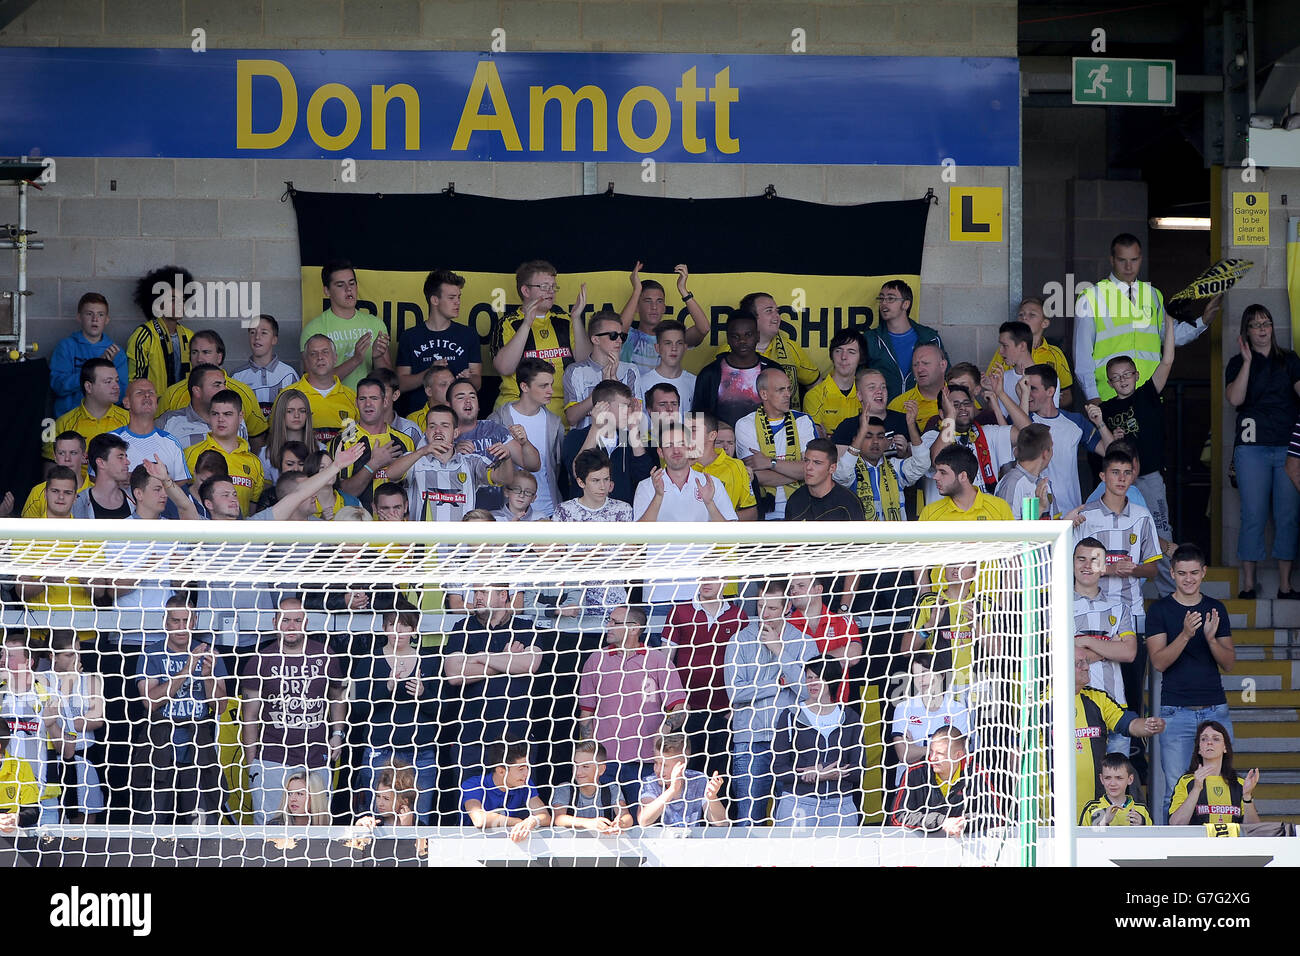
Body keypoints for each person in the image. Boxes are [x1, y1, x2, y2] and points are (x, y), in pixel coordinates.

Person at [1094, 294, 1185, 580]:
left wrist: (1169, 322)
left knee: (1160, 532)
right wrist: (1111, 432)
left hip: (1149, 476)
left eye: (1127, 375)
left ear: (1136, 375)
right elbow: (1105, 449)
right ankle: (1137, 595)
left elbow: (1168, 360)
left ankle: (1170, 594)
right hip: (1119, 478)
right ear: (1109, 383)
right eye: (1116, 378)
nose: (1122, 380)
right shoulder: (1106, 409)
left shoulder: (1147, 393)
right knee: (1122, 530)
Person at [1144, 543, 1235, 823]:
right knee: (1176, 787)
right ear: (1172, 573)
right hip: (1176, 711)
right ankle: (1170, 853)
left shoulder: (1215, 608)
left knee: (1220, 781)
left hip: (1215, 709)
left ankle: (1218, 847)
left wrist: (1209, 638)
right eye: (1182, 573)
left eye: (1194, 572)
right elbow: (1158, 662)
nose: (1188, 579)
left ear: (1204, 573)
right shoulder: (1159, 611)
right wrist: (1184, 634)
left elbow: (1229, 662)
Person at [240, 595, 347, 826]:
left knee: (317, 826)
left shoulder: (325, 655)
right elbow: (249, 716)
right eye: (285, 620)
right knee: (269, 827)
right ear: (274, 621)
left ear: (306, 623)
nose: (291, 626)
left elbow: (338, 696)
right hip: (273, 759)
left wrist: (338, 734)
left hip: (316, 758)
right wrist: (254, 764)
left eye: (297, 620)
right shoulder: (261, 660)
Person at [1074, 233, 1215, 402]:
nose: (1128, 267)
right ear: (1112, 260)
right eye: (1122, 260)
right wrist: (1092, 396)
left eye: (1134, 260)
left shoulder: (1153, 295)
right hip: (1109, 397)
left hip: (1150, 393)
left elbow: (1170, 335)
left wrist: (1204, 321)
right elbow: (1082, 353)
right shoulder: (1091, 297)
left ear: (1141, 259)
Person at [724, 579, 815, 825]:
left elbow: (809, 691)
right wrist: (777, 684)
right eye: (760, 606)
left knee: (790, 821)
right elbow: (735, 692)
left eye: (772, 608)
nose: (764, 613)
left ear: (786, 608)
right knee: (748, 820)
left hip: (792, 743)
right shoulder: (739, 641)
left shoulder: (805, 642)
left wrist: (778, 650)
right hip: (750, 742)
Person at [577, 605, 685, 811]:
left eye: (614, 622)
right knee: (605, 824)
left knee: (642, 823)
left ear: (634, 628)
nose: (607, 626)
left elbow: (679, 707)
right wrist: (589, 755)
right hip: (604, 763)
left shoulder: (658, 660)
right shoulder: (595, 660)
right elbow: (586, 714)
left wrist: (666, 729)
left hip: (646, 762)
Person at [1225, 303, 1300, 598]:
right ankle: (1248, 584)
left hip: (1288, 448)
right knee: (1253, 514)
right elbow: (1235, 398)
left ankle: (1285, 585)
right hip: (1252, 448)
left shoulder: (1290, 360)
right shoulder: (1237, 362)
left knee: (1288, 515)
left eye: (1266, 323)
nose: (1262, 329)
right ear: (1247, 331)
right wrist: (1246, 362)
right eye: (1255, 325)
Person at [131, 597, 227, 824]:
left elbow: (221, 706)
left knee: (201, 827)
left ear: (194, 621)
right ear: (166, 622)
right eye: (176, 620)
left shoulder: (210, 653)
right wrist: (187, 668)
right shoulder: (151, 653)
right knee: (151, 824)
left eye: (186, 620)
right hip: (159, 748)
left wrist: (207, 677)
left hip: (198, 749)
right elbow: (150, 701)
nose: (182, 626)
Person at [350, 600, 439, 824]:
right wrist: (386, 689)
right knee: (375, 820)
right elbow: (357, 709)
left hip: (421, 755)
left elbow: (443, 710)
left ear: (414, 629)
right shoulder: (369, 661)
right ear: (384, 628)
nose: (397, 631)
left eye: (404, 625)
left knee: (419, 822)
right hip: (379, 753)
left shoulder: (430, 661)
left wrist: (423, 693)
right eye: (392, 624)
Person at [441, 584, 542, 773]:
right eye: (475, 592)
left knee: (518, 802)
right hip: (472, 743)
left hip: (517, 742)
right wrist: (505, 660)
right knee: (471, 802)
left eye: (484, 592)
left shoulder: (525, 627)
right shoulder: (462, 627)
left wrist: (480, 656)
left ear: (503, 595)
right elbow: (454, 673)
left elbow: (529, 664)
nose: (477, 597)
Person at [662, 576, 748, 780]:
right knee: (687, 773)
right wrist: (675, 704)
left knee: (719, 776)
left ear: (726, 582)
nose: (706, 582)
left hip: (724, 712)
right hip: (687, 711)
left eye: (713, 577)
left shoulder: (738, 615)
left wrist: (736, 708)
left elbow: (746, 663)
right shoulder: (680, 611)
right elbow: (665, 662)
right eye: (703, 576)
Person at [1070, 646, 1166, 819]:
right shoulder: (1042, 703)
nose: (1086, 667)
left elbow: (1127, 724)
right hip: (1052, 808)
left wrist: (1149, 725)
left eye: (1086, 662)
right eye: (1079, 663)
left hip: (1096, 808)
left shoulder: (1097, 699)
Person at [492, 259, 592, 419]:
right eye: (544, 287)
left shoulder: (566, 321)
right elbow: (505, 368)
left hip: (563, 416)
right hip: (519, 415)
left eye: (553, 287)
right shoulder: (509, 323)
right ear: (526, 290)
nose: (551, 291)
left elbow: (586, 364)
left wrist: (576, 318)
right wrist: (526, 324)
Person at [385, 405, 512, 521]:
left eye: (445, 425)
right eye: (432, 426)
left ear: (455, 433)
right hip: (423, 545)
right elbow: (390, 474)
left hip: (459, 544)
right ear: (426, 432)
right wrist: (422, 451)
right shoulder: (414, 459)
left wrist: (506, 458)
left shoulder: (471, 462)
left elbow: (504, 479)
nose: (438, 430)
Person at [1003, 364, 1099, 516]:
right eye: (1024, 387)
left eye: (1032, 388)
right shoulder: (1019, 421)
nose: (1027, 392)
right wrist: (1023, 397)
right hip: (1037, 513)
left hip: (1071, 512)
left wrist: (1101, 424)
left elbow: (1109, 451)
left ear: (1050, 391)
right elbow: (1021, 434)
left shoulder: (1075, 421)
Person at [1072, 536, 1138, 755]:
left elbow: (1129, 652)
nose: (1086, 565)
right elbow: (1059, 654)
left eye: (1094, 560)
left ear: (1103, 567)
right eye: (1081, 559)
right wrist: (1108, 647)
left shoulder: (1120, 608)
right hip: (1073, 709)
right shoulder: (1055, 605)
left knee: (1115, 785)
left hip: (1115, 708)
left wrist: (1085, 641)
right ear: (1071, 564)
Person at [154, 329, 271, 442]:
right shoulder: (173, 393)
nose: (199, 359)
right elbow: (153, 432)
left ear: (219, 357)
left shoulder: (243, 391)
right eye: (194, 352)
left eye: (206, 352)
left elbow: (257, 436)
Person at [488, 356, 565, 519]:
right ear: (524, 386)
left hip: (547, 509)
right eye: (543, 386)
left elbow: (556, 467)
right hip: (506, 512)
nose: (551, 390)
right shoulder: (497, 420)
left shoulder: (555, 423)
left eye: (551, 384)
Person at [735, 367, 816, 520]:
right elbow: (757, 477)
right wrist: (800, 473)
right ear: (764, 394)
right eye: (780, 390)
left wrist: (769, 462)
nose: (788, 395)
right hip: (765, 512)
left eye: (788, 389)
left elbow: (812, 468)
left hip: (803, 509)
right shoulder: (745, 424)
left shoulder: (803, 421)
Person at [396, 268, 481, 412]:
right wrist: (429, 372)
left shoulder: (468, 335)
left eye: (459, 297)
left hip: (457, 417)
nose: (457, 302)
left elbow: (477, 384)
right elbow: (401, 384)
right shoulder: (410, 336)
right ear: (434, 300)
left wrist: (469, 378)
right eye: (451, 298)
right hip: (419, 417)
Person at [447, 379, 539, 513]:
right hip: (456, 512)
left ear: (478, 405)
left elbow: (533, 465)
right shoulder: (442, 433)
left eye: (472, 396)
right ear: (448, 405)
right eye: (461, 397)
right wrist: (453, 453)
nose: (468, 401)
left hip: (495, 514)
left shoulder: (493, 429)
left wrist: (525, 443)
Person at [300, 259, 392, 390]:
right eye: (340, 285)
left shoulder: (376, 324)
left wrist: (377, 357)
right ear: (327, 291)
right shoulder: (313, 330)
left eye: (352, 283)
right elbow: (313, 382)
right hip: (331, 406)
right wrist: (356, 360)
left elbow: (389, 381)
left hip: (368, 407)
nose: (348, 289)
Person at [329, 377, 416, 511]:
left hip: (396, 527)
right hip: (359, 525)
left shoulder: (405, 441)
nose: (368, 404)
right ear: (356, 403)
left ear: (385, 402)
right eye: (363, 399)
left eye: (374, 398)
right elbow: (344, 492)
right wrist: (374, 464)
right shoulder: (343, 441)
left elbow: (412, 490)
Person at [890, 726, 997, 836]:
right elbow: (897, 817)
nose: (932, 758)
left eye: (940, 754)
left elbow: (996, 816)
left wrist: (964, 822)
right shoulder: (915, 772)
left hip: (965, 846)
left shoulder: (977, 774)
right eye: (931, 752)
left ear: (958, 755)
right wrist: (942, 821)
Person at [559, 380, 653, 505]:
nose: (629, 411)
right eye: (624, 406)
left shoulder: (629, 437)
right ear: (603, 407)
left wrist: (633, 429)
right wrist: (595, 428)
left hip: (621, 516)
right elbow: (577, 473)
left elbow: (645, 477)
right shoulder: (576, 436)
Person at [46, 632, 106, 823]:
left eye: (78, 653)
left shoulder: (91, 680)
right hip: (50, 762)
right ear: (52, 656)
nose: (76, 659)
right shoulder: (42, 680)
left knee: (86, 823)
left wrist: (60, 721)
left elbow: (98, 719)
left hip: (83, 759)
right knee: (53, 821)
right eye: (69, 655)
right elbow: (44, 719)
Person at [889, 652, 970, 788]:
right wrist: (941, 751)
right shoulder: (903, 708)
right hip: (910, 784)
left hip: (948, 783)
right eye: (915, 675)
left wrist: (915, 748)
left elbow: (959, 754)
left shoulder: (958, 709)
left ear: (942, 675)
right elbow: (903, 754)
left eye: (925, 673)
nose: (920, 680)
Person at [1, 635, 58, 826]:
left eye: (11, 656)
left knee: (49, 855)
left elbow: (68, 750)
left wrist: (51, 724)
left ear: (29, 662)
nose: (3, 660)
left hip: (44, 798)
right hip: (5, 799)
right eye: (2, 654)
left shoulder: (49, 696)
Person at [634, 419, 737, 523]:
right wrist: (658, 496)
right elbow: (639, 535)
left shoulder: (712, 483)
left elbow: (729, 534)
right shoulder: (646, 486)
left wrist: (710, 503)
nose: (676, 450)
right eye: (669, 445)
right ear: (660, 452)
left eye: (681, 444)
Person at [731, 291, 820, 410]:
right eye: (769, 311)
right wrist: (702, 429)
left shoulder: (791, 348)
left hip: (786, 426)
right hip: (740, 426)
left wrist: (811, 419)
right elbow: (702, 408)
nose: (777, 316)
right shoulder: (726, 353)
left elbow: (816, 383)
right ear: (751, 318)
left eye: (777, 311)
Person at [183, 389, 265, 516]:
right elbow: (182, 500)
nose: (220, 419)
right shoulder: (191, 454)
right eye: (215, 414)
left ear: (241, 416)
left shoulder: (254, 462)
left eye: (227, 414)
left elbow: (252, 511)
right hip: (201, 533)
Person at [692, 312, 783, 427]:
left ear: (758, 336)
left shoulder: (773, 370)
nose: (742, 341)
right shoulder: (710, 373)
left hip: (766, 444)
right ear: (728, 338)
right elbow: (698, 419)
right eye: (735, 336)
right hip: (722, 444)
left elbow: (784, 413)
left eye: (748, 334)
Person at [861, 279, 946, 401]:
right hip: (885, 413)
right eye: (881, 299)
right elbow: (859, 379)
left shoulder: (930, 337)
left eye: (890, 298)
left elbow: (946, 375)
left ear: (906, 304)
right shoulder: (870, 339)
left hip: (923, 411)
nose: (884, 303)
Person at [617, 261, 711, 370]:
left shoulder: (672, 338)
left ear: (664, 308)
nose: (654, 307)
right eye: (648, 301)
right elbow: (618, 331)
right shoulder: (627, 336)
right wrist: (637, 290)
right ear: (636, 307)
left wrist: (683, 290)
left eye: (659, 301)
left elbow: (703, 328)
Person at [1167, 720, 1260, 827]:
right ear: (1199, 749)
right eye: (1204, 739)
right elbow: (1176, 824)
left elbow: (1254, 830)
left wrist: (1247, 796)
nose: (1209, 742)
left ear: (1225, 748)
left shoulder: (1240, 783)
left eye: (1216, 739)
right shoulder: (1187, 781)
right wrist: (1196, 788)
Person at [985, 296, 1073, 407]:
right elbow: (990, 394)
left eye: (1032, 315)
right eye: (1021, 314)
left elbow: (1067, 394)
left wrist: (1045, 404)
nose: (1024, 318)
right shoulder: (1004, 351)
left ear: (1045, 323)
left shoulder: (1055, 353)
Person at [49, 292, 128, 417]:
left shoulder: (116, 352)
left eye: (100, 314)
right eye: (89, 314)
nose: (95, 319)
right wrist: (94, 368)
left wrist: (106, 374)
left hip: (104, 421)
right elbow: (58, 386)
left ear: (107, 319)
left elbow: (121, 395)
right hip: (69, 419)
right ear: (79, 317)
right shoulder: (66, 347)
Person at [787, 574, 862, 704]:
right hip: (798, 706)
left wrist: (806, 663)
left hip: (837, 704)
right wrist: (834, 659)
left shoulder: (842, 620)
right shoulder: (786, 625)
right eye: (792, 587)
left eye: (801, 586)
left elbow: (854, 656)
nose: (794, 591)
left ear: (818, 589)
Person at [562, 309, 640, 429]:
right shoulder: (575, 371)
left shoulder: (631, 370)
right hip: (586, 442)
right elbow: (572, 418)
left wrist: (614, 382)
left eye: (622, 336)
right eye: (613, 336)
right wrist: (602, 388)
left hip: (621, 443)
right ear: (595, 339)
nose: (619, 340)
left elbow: (635, 418)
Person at [460, 740, 551, 842]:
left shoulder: (525, 784)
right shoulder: (474, 784)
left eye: (527, 768)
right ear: (501, 771)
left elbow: (545, 816)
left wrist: (533, 821)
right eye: (521, 769)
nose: (527, 773)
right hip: (470, 842)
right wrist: (517, 822)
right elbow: (479, 819)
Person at [127, 264, 195, 397]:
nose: (180, 304)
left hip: (184, 408)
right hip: (154, 409)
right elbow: (133, 379)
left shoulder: (190, 336)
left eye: (183, 300)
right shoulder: (144, 335)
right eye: (173, 300)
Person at [44, 357, 128, 461]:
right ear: (88, 387)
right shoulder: (63, 423)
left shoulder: (129, 420)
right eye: (108, 381)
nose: (117, 386)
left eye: (117, 381)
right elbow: (51, 467)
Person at [638, 732, 727, 828]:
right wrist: (672, 790)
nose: (657, 770)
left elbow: (722, 823)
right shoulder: (650, 782)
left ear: (682, 765)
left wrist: (712, 797)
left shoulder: (698, 780)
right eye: (656, 763)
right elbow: (643, 820)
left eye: (664, 765)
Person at [109, 378, 190, 481]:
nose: (147, 395)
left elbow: (182, 482)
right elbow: (95, 478)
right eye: (139, 392)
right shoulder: (111, 440)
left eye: (151, 393)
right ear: (126, 402)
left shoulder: (171, 442)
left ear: (156, 403)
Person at [550, 739, 635, 832]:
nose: (578, 772)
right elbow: (558, 818)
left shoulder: (611, 789)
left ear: (601, 769)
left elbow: (626, 816)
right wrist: (588, 823)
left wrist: (621, 823)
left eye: (585, 766)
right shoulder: (565, 789)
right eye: (575, 765)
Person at [290, 334, 359, 446]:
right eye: (313, 354)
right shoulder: (289, 395)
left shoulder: (353, 397)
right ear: (306, 361)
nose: (320, 357)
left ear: (335, 358)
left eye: (325, 352)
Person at [687, 411, 757, 520]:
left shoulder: (736, 466)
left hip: (722, 535)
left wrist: (721, 522)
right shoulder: (677, 464)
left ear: (712, 435)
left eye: (693, 430)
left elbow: (752, 513)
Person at [918, 446, 1015, 522]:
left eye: (943, 472)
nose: (935, 477)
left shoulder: (1000, 507)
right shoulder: (929, 513)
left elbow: (1012, 545)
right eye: (936, 471)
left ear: (963, 476)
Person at [231, 313, 299, 418]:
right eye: (252, 332)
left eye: (264, 333)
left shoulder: (288, 374)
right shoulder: (237, 376)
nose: (257, 337)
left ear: (274, 339)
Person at [831, 367, 910, 453]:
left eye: (883, 387)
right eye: (872, 387)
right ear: (859, 395)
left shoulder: (905, 421)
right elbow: (841, 464)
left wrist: (906, 452)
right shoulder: (847, 427)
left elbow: (921, 462)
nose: (879, 391)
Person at [803, 329, 866, 437]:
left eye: (851, 352)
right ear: (831, 355)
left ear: (861, 358)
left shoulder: (867, 393)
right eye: (838, 350)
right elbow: (818, 444)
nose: (843, 357)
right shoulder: (814, 396)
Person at [785, 437, 865, 521]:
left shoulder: (849, 502)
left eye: (817, 463)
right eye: (806, 461)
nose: (808, 467)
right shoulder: (795, 500)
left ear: (832, 468)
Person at [993, 422, 1056, 518]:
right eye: (1051, 447)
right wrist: (1038, 509)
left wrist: (1069, 520)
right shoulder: (1012, 483)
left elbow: (1054, 524)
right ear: (1045, 453)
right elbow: (1008, 531)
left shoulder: (1043, 482)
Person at [636, 320, 697, 416]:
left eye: (679, 343)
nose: (674, 348)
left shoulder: (695, 383)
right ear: (657, 348)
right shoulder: (642, 383)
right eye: (668, 343)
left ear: (685, 348)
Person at [554, 448, 633, 521]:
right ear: (581, 482)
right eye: (595, 480)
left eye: (606, 479)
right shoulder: (564, 512)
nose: (602, 486)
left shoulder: (623, 510)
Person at [260, 388, 317, 484]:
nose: (296, 415)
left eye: (302, 411)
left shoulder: (320, 449)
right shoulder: (265, 453)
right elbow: (266, 492)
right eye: (290, 411)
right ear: (280, 414)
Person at [887, 342, 948, 433]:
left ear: (942, 365)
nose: (919, 370)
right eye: (915, 365)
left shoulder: (960, 398)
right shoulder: (899, 405)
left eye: (926, 363)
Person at [23, 434, 88, 518]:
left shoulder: (94, 491)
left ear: (84, 456)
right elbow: (26, 529)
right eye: (61, 453)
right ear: (55, 457)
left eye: (73, 453)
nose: (67, 459)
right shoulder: (38, 492)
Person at [72, 432, 136, 519]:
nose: (127, 462)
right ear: (101, 463)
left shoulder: (135, 499)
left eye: (126, 457)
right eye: (120, 457)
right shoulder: (79, 502)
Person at [1079, 754, 1152, 827]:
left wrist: (1142, 824)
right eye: (1107, 778)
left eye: (1119, 778)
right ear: (1101, 779)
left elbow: (1152, 837)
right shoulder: (1092, 808)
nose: (1113, 783)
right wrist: (1103, 822)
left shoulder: (1141, 810)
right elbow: (1081, 837)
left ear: (1130, 779)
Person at [988, 321, 1035, 418]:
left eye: (1005, 346)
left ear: (1022, 346)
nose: (1000, 352)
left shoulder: (1046, 377)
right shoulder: (1003, 378)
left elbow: (1045, 421)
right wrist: (991, 392)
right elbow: (997, 417)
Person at [129, 459, 201, 520]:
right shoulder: (121, 529)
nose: (165, 494)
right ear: (138, 494)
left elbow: (187, 508)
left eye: (166, 489)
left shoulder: (171, 529)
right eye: (157, 489)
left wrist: (166, 480)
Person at [266, 771, 331, 826]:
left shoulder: (326, 828)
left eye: (299, 794)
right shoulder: (275, 827)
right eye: (290, 793)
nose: (292, 799)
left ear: (315, 798)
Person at [409, 365, 457, 435]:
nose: (451, 388)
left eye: (453, 383)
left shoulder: (462, 413)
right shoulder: (413, 420)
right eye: (443, 384)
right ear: (429, 391)